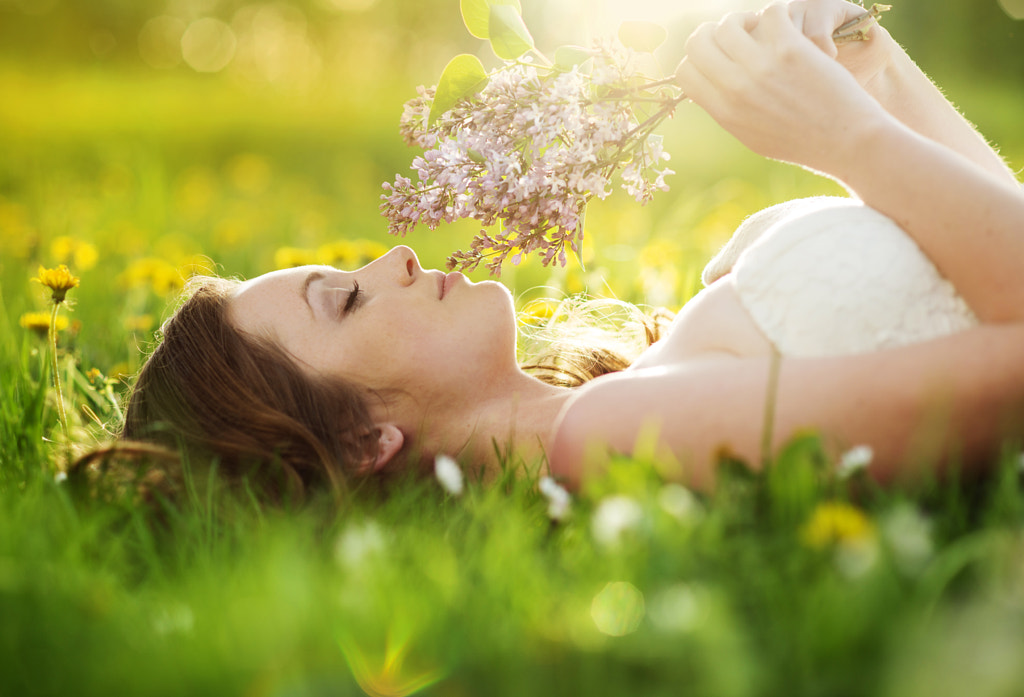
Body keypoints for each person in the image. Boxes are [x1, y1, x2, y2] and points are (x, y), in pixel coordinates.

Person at [108, 0, 1024, 501]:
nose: (392, 259)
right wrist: (844, 140)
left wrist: (862, 59)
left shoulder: (641, 385)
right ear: (363, 443)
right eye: (345, 299)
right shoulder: (605, 442)